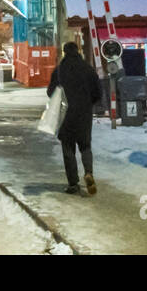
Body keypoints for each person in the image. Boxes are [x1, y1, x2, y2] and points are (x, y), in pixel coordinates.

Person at [47, 42, 102, 195]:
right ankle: (89, 172)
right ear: (78, 52)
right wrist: (88, 103)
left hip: (66, 114)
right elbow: (98, 92)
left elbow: (50, 92)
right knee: (85, 146)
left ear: (64, 53)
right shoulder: (88, 69)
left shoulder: (59, 71)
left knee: (68, 147)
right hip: (84, 114)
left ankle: (73, 183)